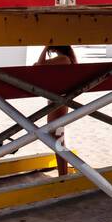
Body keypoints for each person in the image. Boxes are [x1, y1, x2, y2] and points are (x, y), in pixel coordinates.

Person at [37, 45, 78, 177]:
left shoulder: (63, 59)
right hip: (58, 100)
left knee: (57, 139)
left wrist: (45, 46)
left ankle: (63, 174)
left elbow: (39, 65)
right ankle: (63, 172)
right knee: (57, 137)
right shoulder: (64, 59)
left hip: (59, 101)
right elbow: (39, 65)